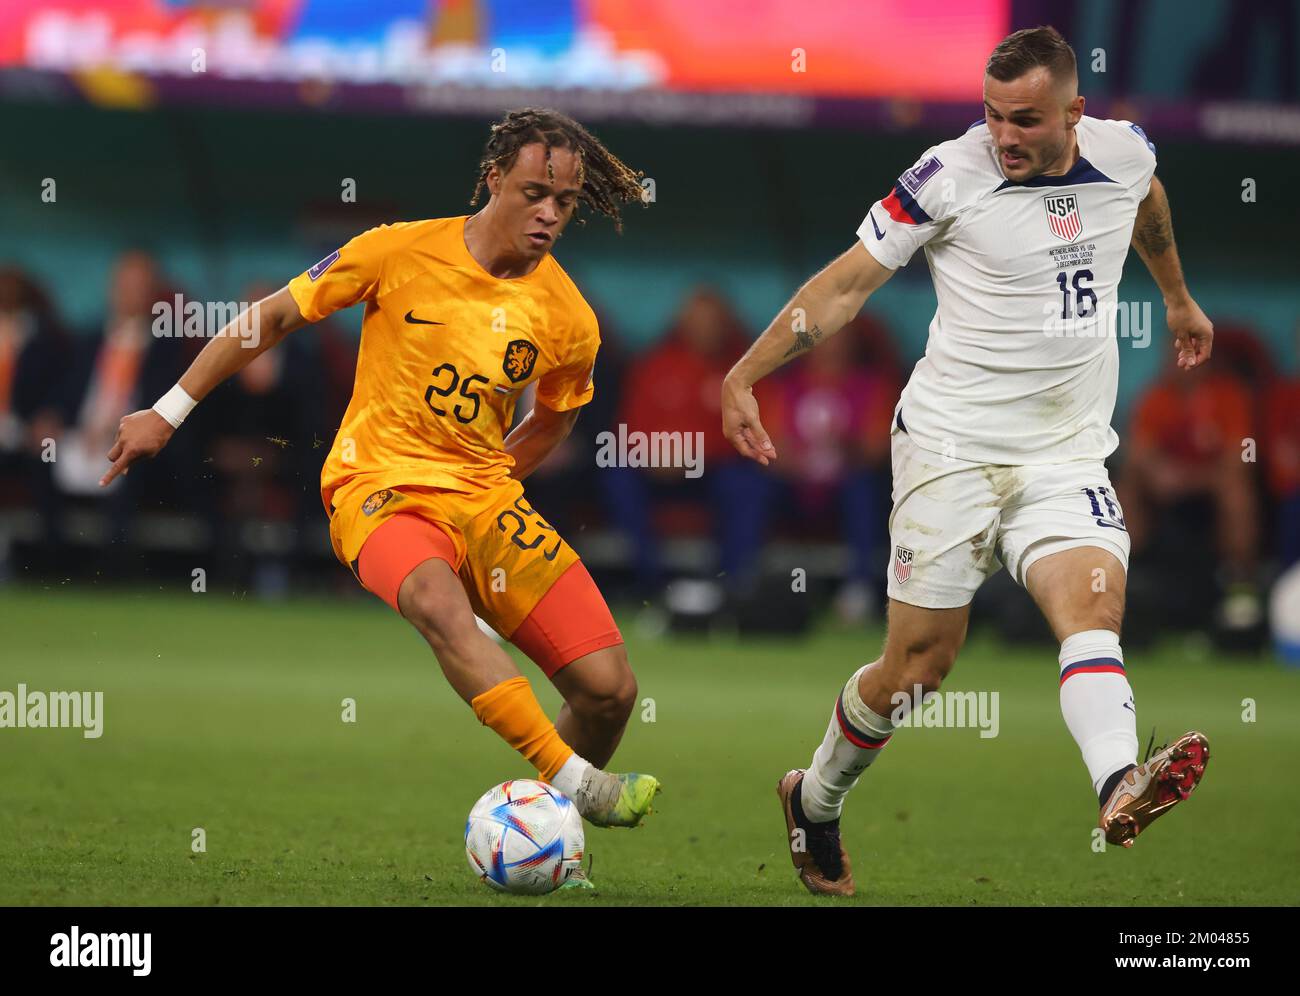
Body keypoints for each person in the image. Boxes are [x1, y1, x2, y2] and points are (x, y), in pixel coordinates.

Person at [721, 27, 1213, 896]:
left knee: (1093, 610)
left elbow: (1148, 203)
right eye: (991, 115)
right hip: (950, 451)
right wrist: (746, 374)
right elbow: (843, 287)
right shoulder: (946, 175)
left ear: (1075, 112)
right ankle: (818, 799)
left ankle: (1117, 786)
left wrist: (1175, 296)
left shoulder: (1124, 152)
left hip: (1064, 454)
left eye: (1024, 120)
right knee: (918, 669)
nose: (1003, 136)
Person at [100, 110, 661, 872]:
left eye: (564, 202)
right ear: (492, 179)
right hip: (379, 487)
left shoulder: (568, 317)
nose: (550, 214)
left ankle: (538, 842)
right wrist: (167, 411)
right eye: (534, 193)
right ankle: (577, 786)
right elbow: (268, 320)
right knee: (438, 603)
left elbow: (557, 419)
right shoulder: (396, 251)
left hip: (483, 499)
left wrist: (495, 483)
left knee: (609, 692)